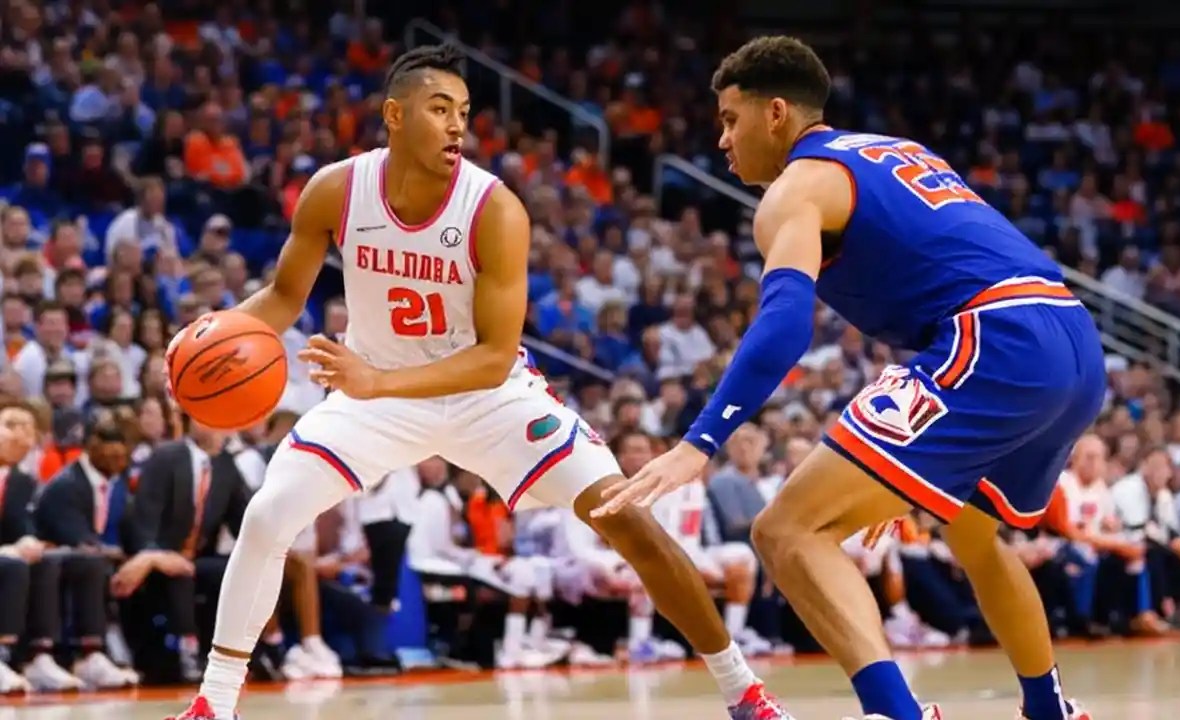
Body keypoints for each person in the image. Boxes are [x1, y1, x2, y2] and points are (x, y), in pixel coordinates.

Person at [167, 45, 789, 720]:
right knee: (267, 515)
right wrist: (210, 330)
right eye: (440, 110)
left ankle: (744, 692)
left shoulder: (494, 209)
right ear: (395, 116)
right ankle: (214, 706)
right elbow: (284, 299)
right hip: (373, 397)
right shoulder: (336, 191)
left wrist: (377, 380)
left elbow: (495, 357)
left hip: (485, 394)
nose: (458, 125)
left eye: (464, 112)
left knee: (624, 515)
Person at [594, 36, 1104, 720]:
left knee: (786, 531)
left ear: (776, 114)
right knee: (973, 535)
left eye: (729, 119)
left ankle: (896, 713)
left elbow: (782, 329)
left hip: (993, 338)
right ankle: (1050, 709)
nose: (722, 140)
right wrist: (911, 468)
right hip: (1072, 338)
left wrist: (699, 443)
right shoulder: (896, 151)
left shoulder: (795, 190)